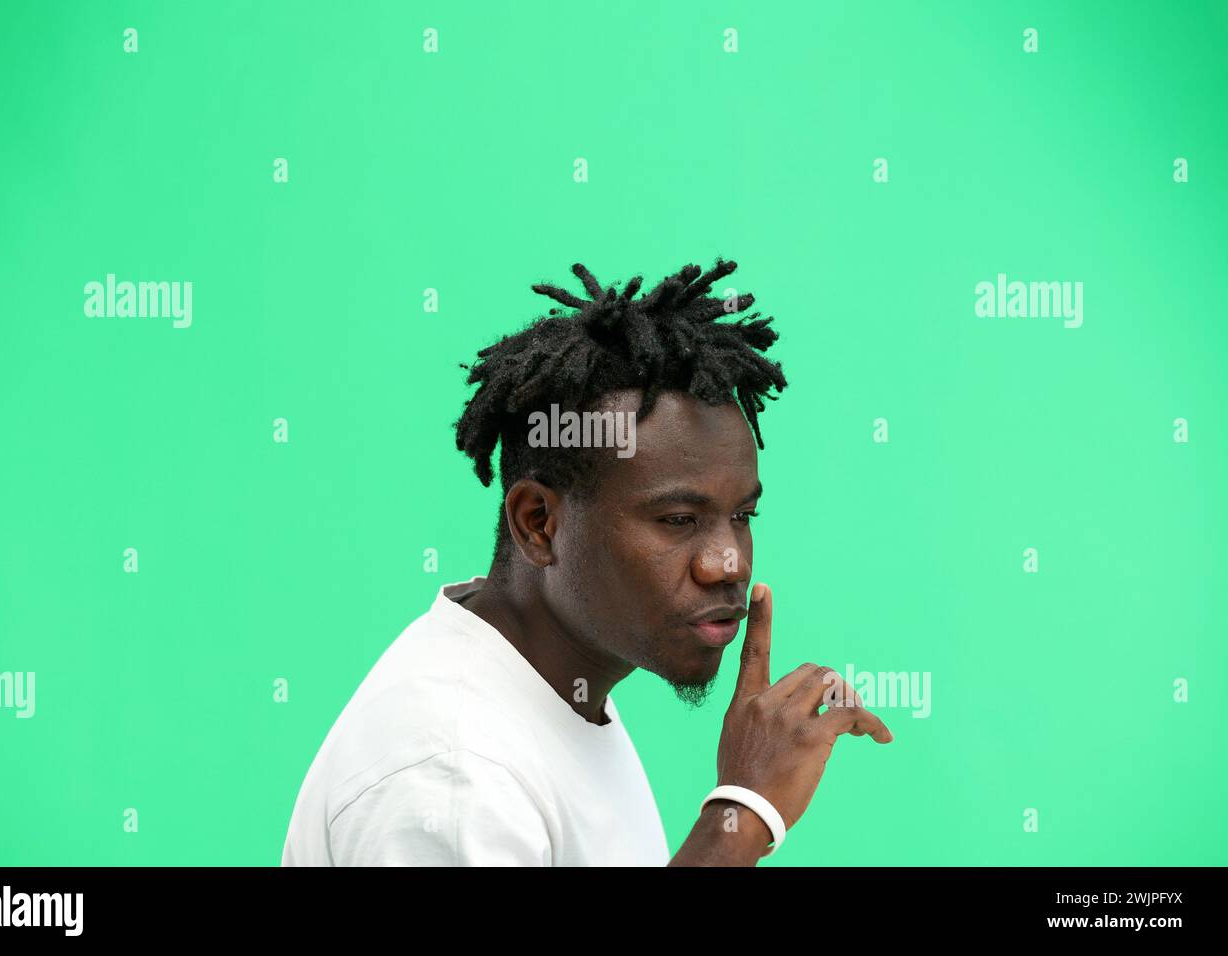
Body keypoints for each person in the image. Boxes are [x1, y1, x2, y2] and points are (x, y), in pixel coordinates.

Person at [281, 257, 893, 866]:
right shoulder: (453, 771)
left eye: (742, 516)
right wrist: (743, 814)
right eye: (679, 520)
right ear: (538, 525)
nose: (728, 563)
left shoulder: (551, 691)